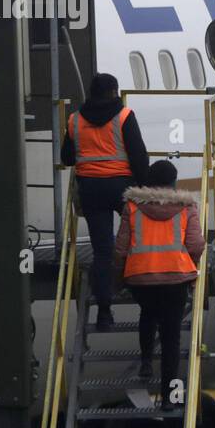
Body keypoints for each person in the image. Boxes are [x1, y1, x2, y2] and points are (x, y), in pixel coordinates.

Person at [112, 160, 204, 409]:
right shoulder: (187, 206)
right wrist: (191, 265)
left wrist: (118, 277)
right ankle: (168, 399)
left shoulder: (132, 207)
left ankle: (145, 361)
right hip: (176, 278)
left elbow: (121, 247)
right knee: (171, 339)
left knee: (148, 314)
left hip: (141, 279)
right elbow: (196, 244)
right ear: (174, 182)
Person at [61, 72, 149, 329]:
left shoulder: (75, 120)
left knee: (102, 252)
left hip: (91, 190)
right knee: (135, 241)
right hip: (122, 187)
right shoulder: (124, 116)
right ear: (113, 92)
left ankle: (104, 312)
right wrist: (144, 189)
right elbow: (138, 155)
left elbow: (67, 158)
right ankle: (138, 293)